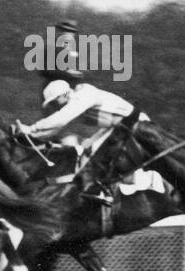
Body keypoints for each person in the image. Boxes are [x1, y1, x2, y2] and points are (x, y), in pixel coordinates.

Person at [16, 77, 144, 191]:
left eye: (54, 101)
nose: (54, 105)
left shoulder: (83, 96)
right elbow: (56, 130)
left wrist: (31, 128)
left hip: (136, 123)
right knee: (87, 151)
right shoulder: (75, 104)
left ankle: (139, 187)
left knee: (95, 157)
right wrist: (30, 136)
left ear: (62, 95)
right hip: (118, 127)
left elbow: (60, 120)